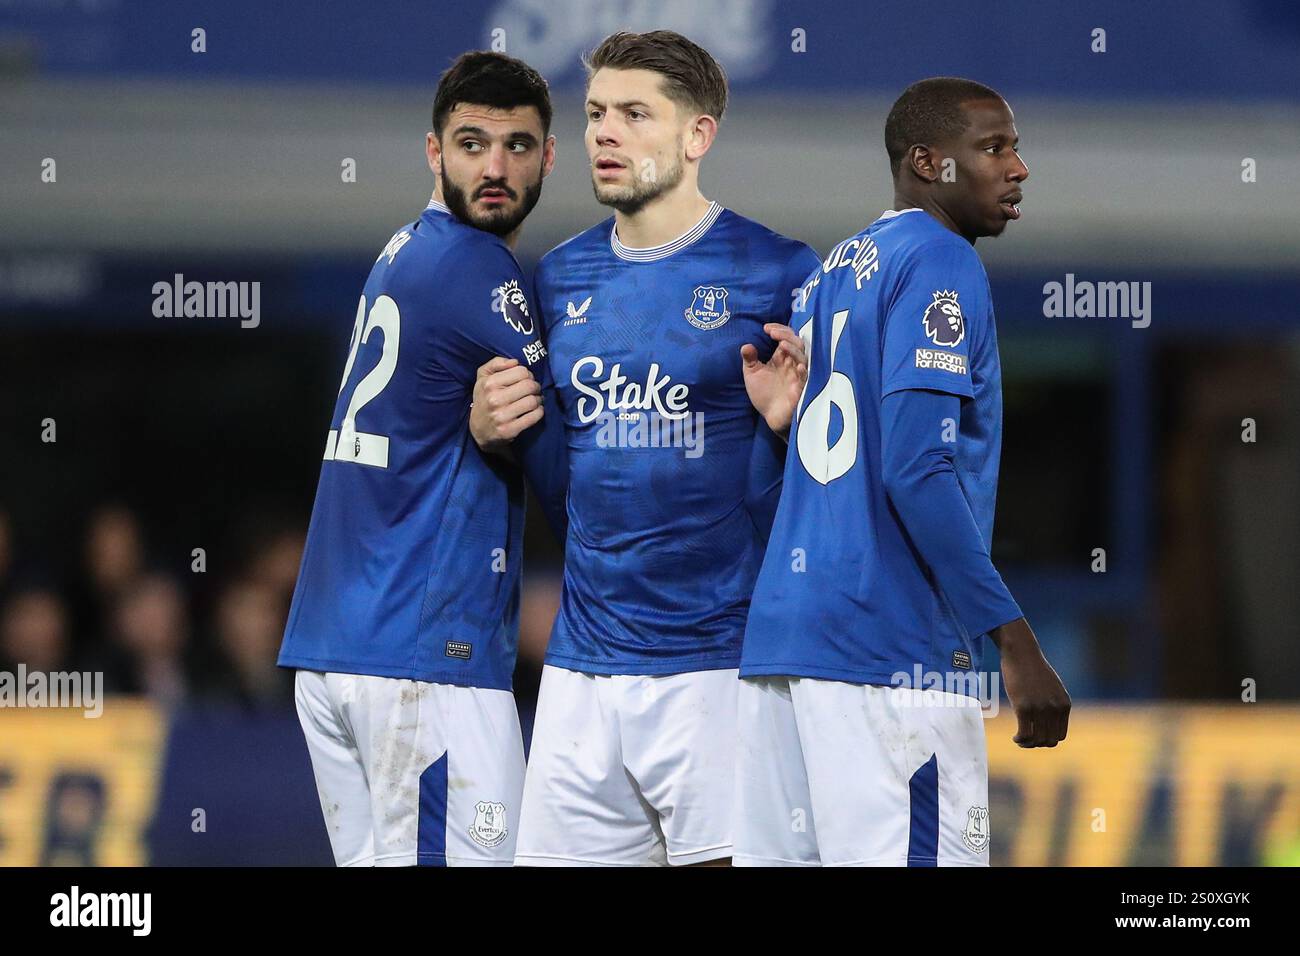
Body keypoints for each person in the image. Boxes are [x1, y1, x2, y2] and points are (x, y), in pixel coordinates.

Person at [471, 30, 818, 867]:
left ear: (697, 136)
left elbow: (833, 489)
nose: (604, 134)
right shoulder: (555, 280)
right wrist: (488, 431)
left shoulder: (779, 271)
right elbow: (559, 472)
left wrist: (790, 429)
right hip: (582, 672)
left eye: (634, 113)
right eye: (594, 114)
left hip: (719, 668)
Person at [734, 77, 1071, 867]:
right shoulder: (939, 260)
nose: (1018, 167)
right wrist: (1016, 644)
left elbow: (790, 489)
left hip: (786, 652)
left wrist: (778, 432)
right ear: (928, 162)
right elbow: (919, 470)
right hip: (890, 655)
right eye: (993, 147)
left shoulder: (829, 275)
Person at [277, 51, 567, 867]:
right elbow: (573, 469)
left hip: (339, 654)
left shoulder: (404, 249)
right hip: (420, 659)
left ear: (549, 156)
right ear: (435, 153)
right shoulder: (478, 266)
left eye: (517, 145)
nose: (496, 166)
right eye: (472, 144)